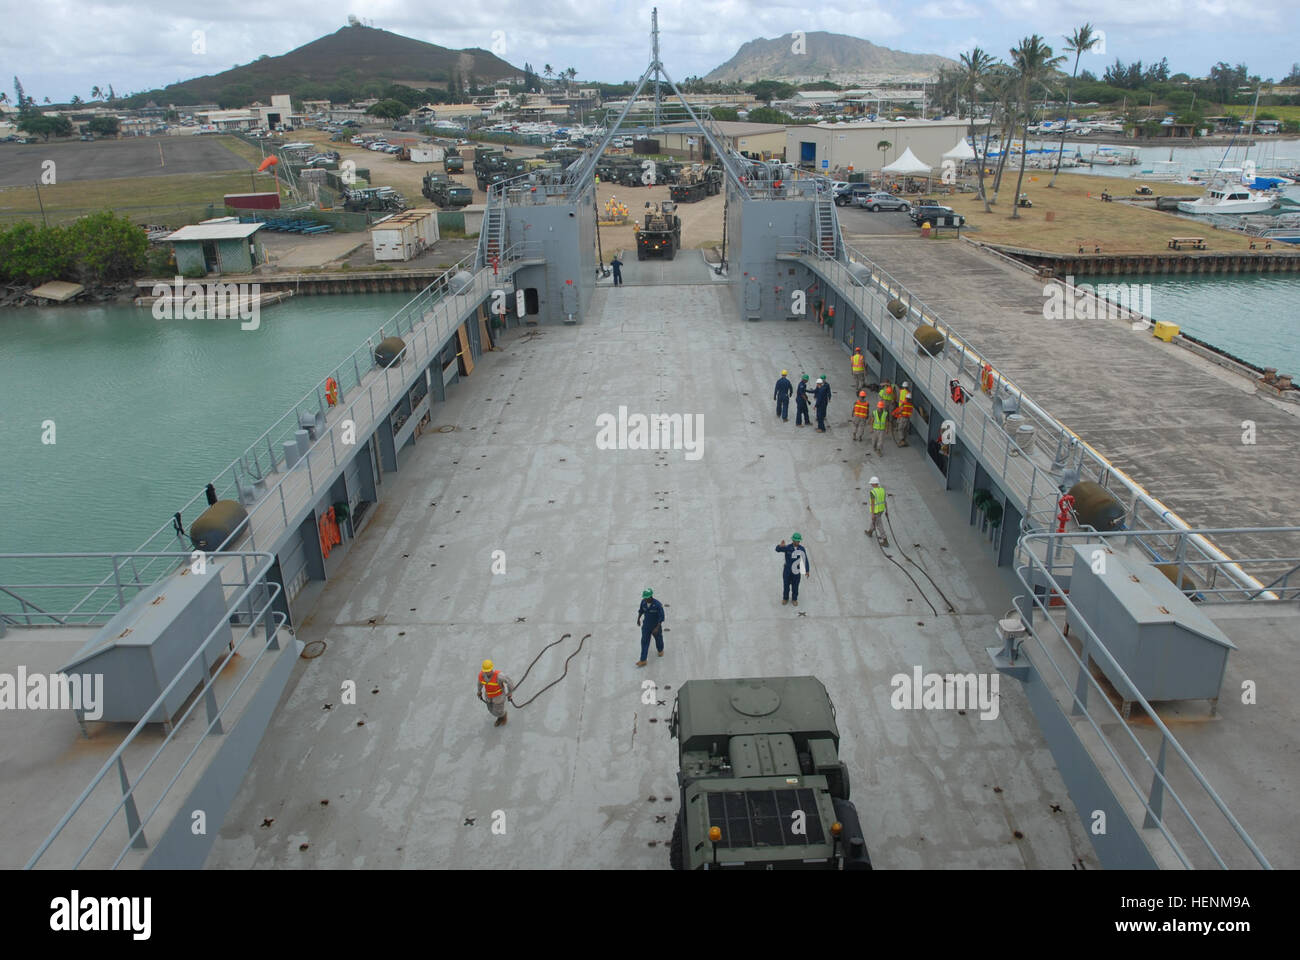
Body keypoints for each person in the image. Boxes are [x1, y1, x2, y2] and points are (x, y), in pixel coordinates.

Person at [775, 533, 811, 606]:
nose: (797, 542)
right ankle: (785, 598)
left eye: (798, 541)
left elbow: (805, 559)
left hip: (796, 571)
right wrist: (780, 546)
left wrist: (807, 570)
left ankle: (794, 599)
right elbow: (777, 550)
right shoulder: (787, 547)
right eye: (795, 540)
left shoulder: (802, 549)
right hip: (787, 571)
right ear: (793, 540)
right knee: (786, 585)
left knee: (795, 586)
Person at [477, 659, 514, 727]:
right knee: (490, 709)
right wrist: (479, 692)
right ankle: (500, 715)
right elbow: (480, 684)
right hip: (488, 696)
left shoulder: (499, 676)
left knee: (498, 711)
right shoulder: (481, 676)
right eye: (485, 671)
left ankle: (502, 717)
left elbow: (509, 682)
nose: (487, 672)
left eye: (488, 671)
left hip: (498, 697)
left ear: (492, 668)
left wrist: (510, 693)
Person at [636, 588, 665, 667]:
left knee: (658, 639)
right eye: (644, 598)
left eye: (646, 598)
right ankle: (643, 660)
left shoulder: (658, 605)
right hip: (646, 626)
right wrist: (638, 619)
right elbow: (641, 611)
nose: (645, 599)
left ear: (651, 597)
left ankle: (660, 650)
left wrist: (657, 627)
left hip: (656, 626)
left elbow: (661, 617)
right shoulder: (643, 602)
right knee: (644, 642)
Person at [893, 382, 913, 446]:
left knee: (900, 428)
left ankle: (902, 441)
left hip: (902, 416)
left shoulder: (901, 392)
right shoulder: (911, 405)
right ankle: (904, 440)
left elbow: (901, 410)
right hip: (907, 418)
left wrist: (895, 413)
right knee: (904, 429)